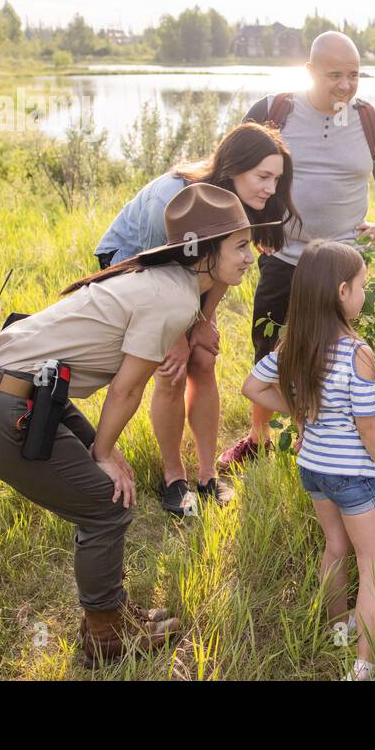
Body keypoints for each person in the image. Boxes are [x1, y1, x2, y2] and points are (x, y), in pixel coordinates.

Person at [0, 184, 267, 667]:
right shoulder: (171, 297)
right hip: (2, 404)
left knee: (108, 494)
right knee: (106, 505)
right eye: (241, 245)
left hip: (5, 389)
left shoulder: (162, 279)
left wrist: (103, 446)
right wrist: (102, 452)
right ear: (202, 252)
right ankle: (106, 637)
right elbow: (126, 389)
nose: (251, 256)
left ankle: (110, 614)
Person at [220, 31, 375, 472]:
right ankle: (258, 436)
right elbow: (232, 169)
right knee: (268, 345)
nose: (345, 85)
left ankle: (329, 438)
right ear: (309, 71)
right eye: (334, 75)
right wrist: (248, 229)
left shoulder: (373, 122)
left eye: (353, 75)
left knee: (338, 354)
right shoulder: (274, 111)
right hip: (283, 255)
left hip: (343, 263)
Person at [93, 122, 297, 515]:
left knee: (204, 359)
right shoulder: (173, 199)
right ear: (234, 166)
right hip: (133, 270)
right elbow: (154, 275)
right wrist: (175, 337)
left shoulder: (244, 202)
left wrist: (203, 321)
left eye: (277, 179)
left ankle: (207, 477)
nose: (271, 189)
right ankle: (174, 477)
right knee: (171, 366)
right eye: (263, 177)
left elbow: (224, 266)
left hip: (186, 272)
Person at [241, 239, 375, 681]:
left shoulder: (294, 345)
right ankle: (365, 663)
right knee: (373, 563)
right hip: (351, 473)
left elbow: (252, 388)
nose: (364, 294)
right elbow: (368, 427)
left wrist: (298, 410)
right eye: (362, 286)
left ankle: (337, 627)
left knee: (335, 547)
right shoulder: (357, 354)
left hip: (313, 467)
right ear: (342, 291)